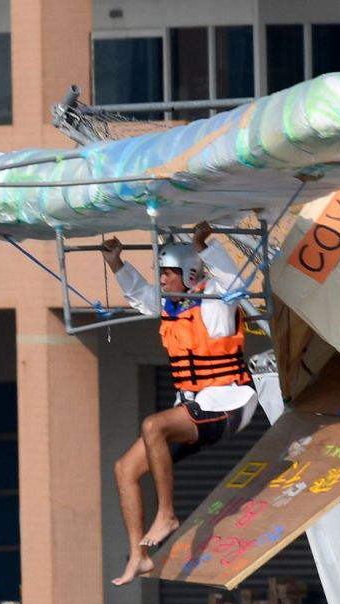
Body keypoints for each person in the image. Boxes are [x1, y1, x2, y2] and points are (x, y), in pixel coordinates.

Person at [101, 222, 260, 585]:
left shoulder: (213, 305)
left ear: (189, 274)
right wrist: (116, 262)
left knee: (153, 424)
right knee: (124, 469)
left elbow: (234, 285)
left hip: (229, 403)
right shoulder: (172, 307)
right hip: (194, 406)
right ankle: (139, 556)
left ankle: (168, 513)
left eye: (168, 273)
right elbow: (141, 295)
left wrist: (206, 247)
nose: (162, 279)